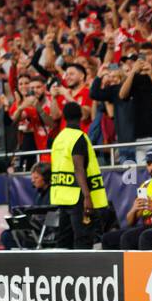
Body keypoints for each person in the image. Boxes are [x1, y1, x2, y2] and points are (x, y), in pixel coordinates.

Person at [49, 102, 108, 249]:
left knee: (64, 239)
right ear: (81, 116)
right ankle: (83, 265)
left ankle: (62, 264)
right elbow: (78, 168)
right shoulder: (78, 137)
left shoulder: (59, 138)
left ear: (64, 117)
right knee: (83, 238)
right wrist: (87, 196)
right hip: (77, 196)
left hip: (62, 195)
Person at [100, 148, 152, 250]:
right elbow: (130, 222)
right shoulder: (145, 186)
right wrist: (134, 209)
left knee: (130, 237)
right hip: (147, 226)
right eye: (149, 164)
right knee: (108, 238)